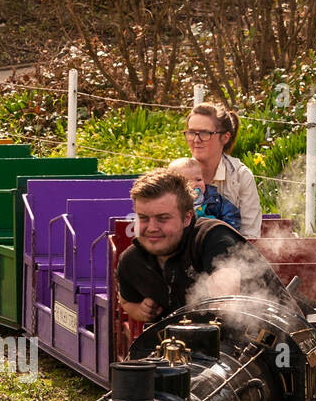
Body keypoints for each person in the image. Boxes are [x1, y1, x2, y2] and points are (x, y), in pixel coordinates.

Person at [117, 167, 290, 324]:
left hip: (278, 342)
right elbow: (125, 300)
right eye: (144, 218)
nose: (152, 228)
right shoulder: (131, 260)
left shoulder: (212, 236)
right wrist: (140, 311)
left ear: (187, 218)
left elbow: (225, 285)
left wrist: (222, 294)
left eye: (163, 218)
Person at [183, 102, 261, 239]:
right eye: (191, 132)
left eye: (204, 133)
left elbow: (250, 235)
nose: (196, 140)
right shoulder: (178, 172)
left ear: (225, 137)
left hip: (230, 254)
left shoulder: (241, 177)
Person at [169, 156, 242, 229]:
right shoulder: (173, 202)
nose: (195, 184)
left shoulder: (213, 198)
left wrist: (226, 231)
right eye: (188, 182)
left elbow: (232, 213)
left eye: (198, 179)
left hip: (211, 234)